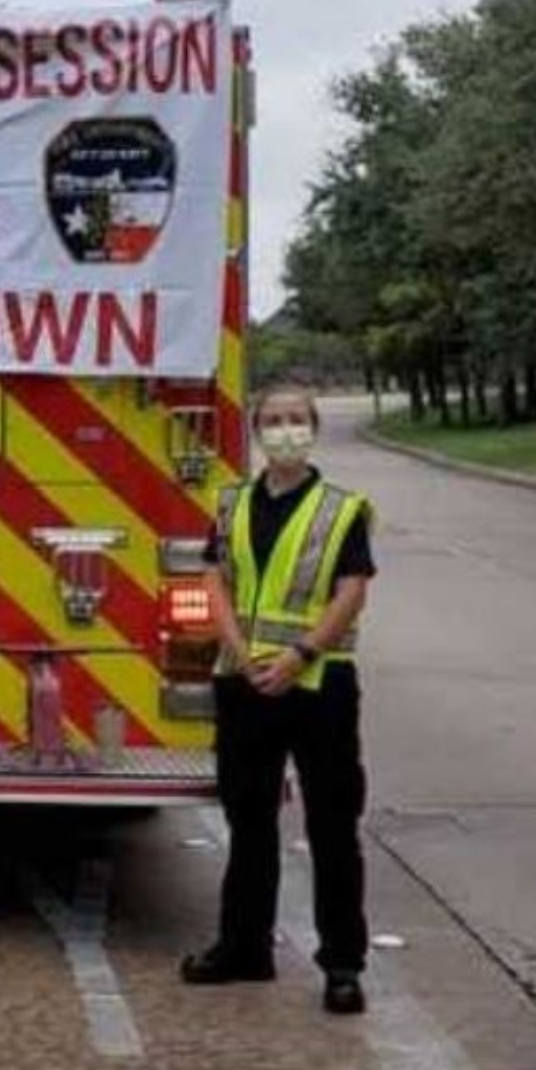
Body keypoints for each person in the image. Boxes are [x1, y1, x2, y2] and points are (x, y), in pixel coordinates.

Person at [181, 383, 377, 1015]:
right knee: (249, 823)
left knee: (332, 826)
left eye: (296, 419)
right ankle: (244, 949)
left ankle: (342, 965)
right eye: (272, 420)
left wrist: (300, 656)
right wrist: (236, 648)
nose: (285, 429)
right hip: (243, 682)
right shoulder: (233, 503)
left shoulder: (341, 509)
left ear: (313, 429)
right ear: (257, 432)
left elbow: (352, 590)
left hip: (318, 685)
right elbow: (215, 575)